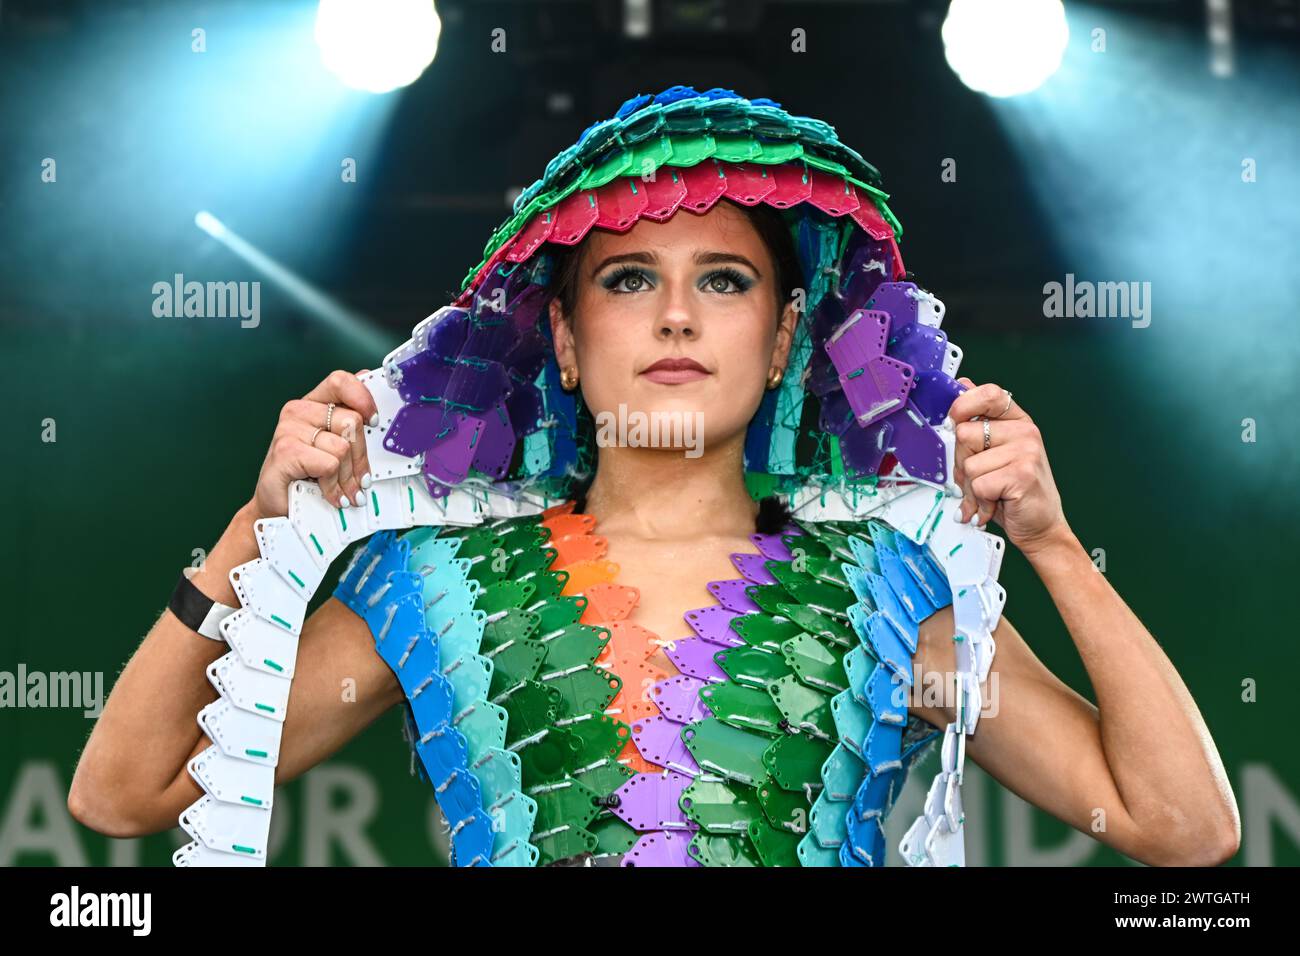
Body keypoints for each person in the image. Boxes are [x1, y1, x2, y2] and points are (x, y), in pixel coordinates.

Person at [68, 86, 1239, 867]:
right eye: (628, 278)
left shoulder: (896, 586)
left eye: (724, 280)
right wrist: (250, 529)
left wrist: (1043, 543)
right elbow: (120, 794)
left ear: (783, 340)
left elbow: (1182, 828)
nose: (677, 313)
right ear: (566, 339)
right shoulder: (434, 581)